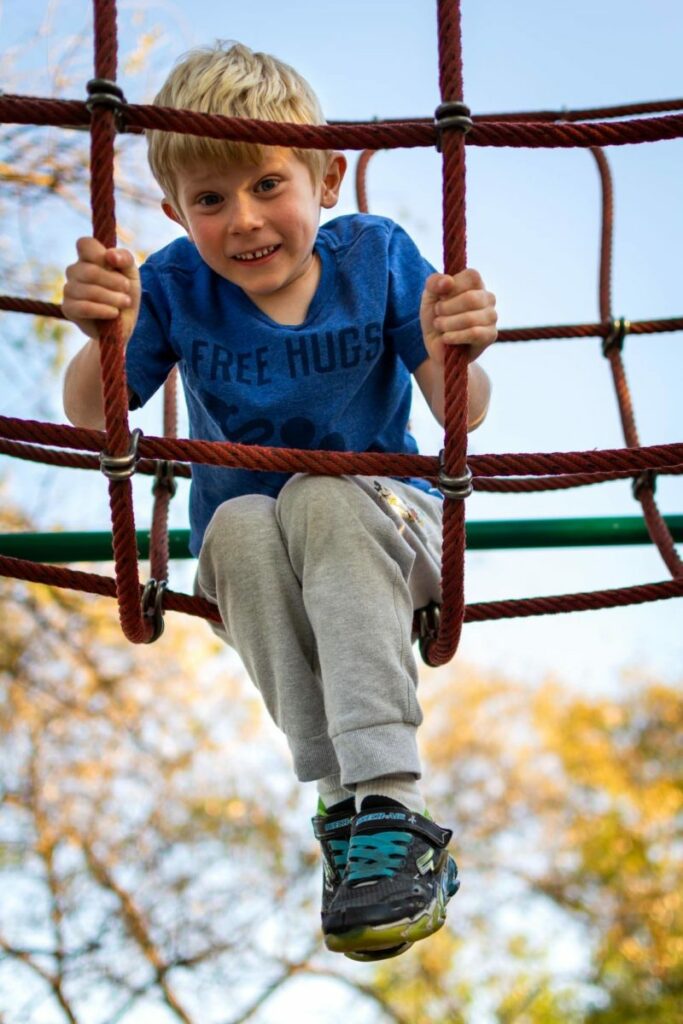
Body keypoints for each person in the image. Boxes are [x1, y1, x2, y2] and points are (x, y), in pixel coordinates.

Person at [62, 42, 497, 960]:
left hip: (392, 533)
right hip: (257, 570)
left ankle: (390, 803)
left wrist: (455, 348)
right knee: (243, 521)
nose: (245, 219)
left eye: (267, 184)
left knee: (319, 495)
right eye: (210, 200)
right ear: (176, 213)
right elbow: (94, 418)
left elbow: (462, 415)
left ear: (326, 178)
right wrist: (107, 332)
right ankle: (350, 820)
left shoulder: (374, 256)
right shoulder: (173, 285)